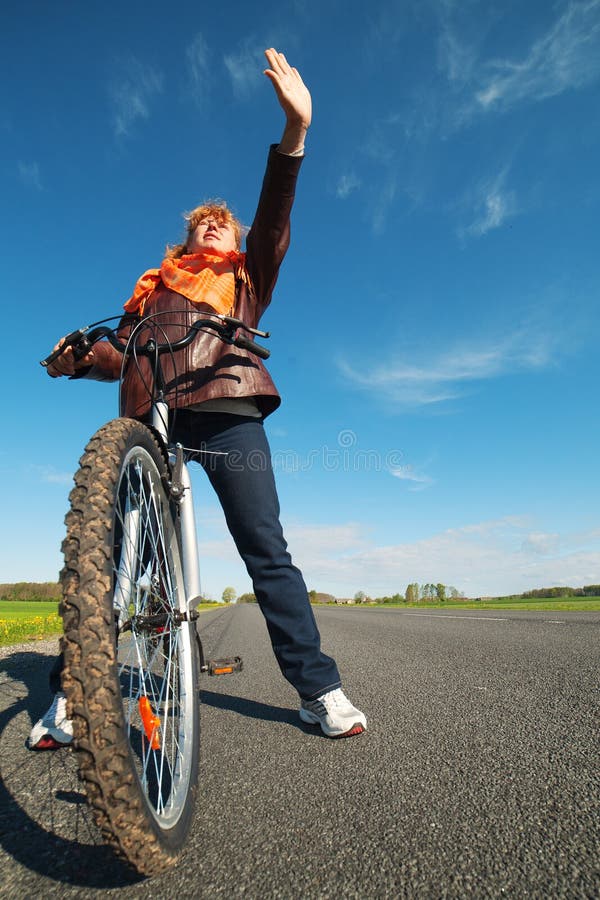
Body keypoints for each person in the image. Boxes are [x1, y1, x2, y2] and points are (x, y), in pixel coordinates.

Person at [29, 49, 366, 749]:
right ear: (185, 236)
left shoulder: (246, 277)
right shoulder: (151, 292)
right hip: (151, 419)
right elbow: (120, 353)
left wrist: (294, 136)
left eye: (223, 223)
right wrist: (76, 361)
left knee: (264, 547)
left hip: (227, 409)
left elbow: (273, 219)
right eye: (202, 222)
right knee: (112, 555)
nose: (213, 226)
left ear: (234, 239)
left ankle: (317, 689)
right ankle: (73, 695)